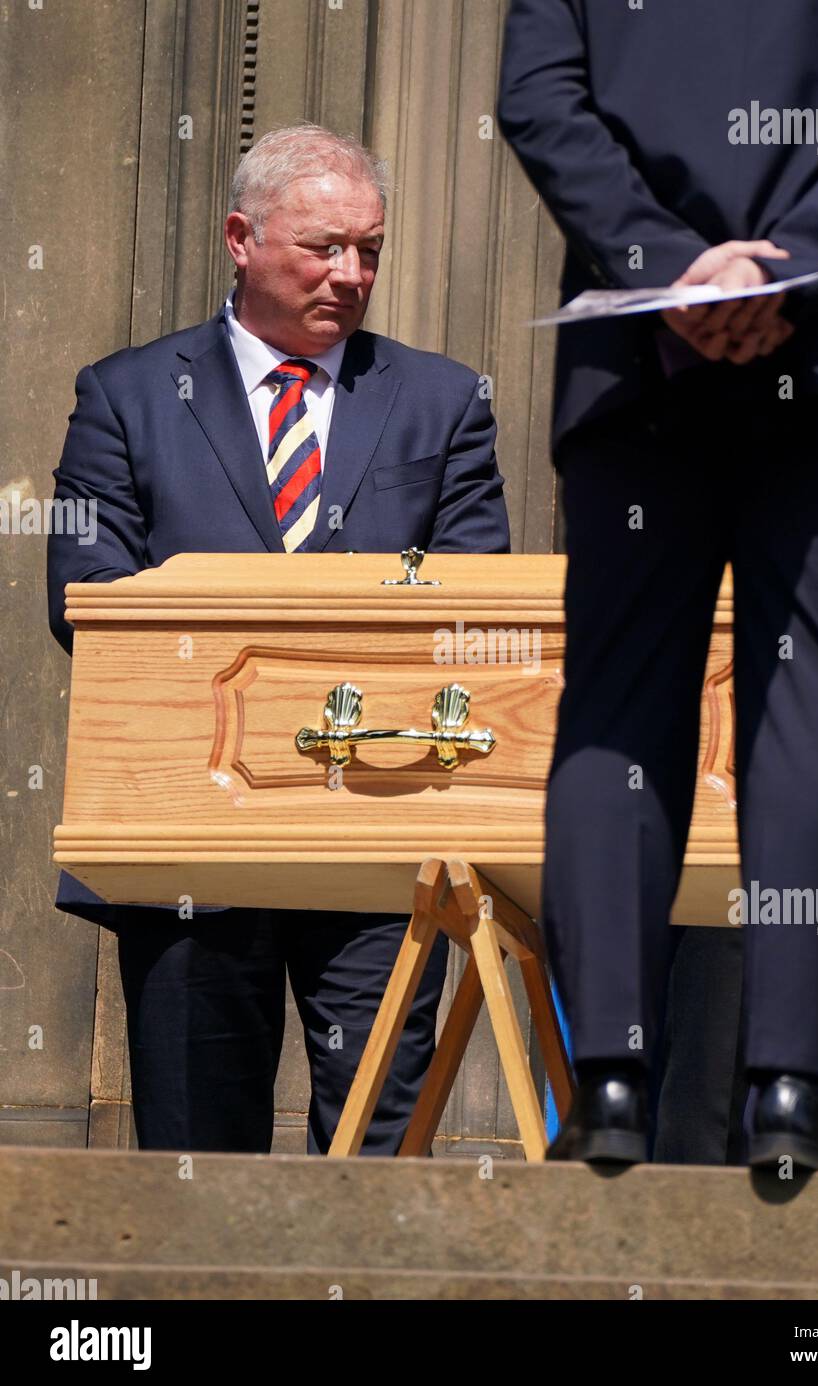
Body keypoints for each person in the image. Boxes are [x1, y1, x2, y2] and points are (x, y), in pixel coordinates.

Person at [498, 0, 818, 1169]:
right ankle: (795, 1094)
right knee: (807, 715)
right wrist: (792, 272)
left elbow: (540, 98)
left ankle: (609, 1082)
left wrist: (672, 267)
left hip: (637, 354)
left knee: (617, 710)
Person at [47, 124, 510, 1155]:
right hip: (189, 834)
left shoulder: (442, 404)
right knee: (195, 1152)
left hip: (384, 828)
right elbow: (87, 596)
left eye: (371, 250)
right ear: (240, 239)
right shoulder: (125, 396)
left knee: (379, 1134)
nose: (352, 274)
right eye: (324, 247)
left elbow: (472, 615)